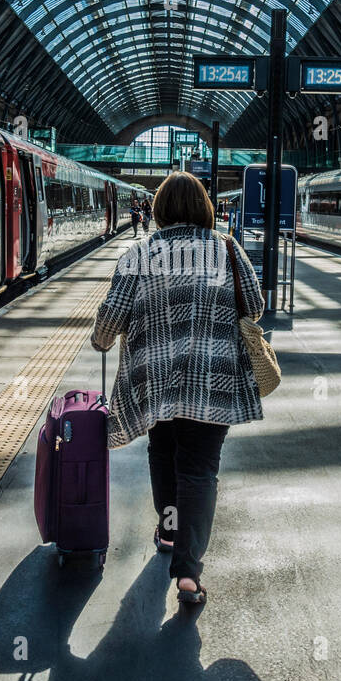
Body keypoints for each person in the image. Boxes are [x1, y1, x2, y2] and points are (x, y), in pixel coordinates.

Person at [91, 172, 264, 605]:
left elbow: (112, 316)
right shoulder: (226, 247)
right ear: (205, 207)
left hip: (156, 380)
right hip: (214, 380)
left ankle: (168, 528)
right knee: (199, 470)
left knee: (162, 452)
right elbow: (256, 305)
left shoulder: (141, 253)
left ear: (160, 209)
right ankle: (188, 573)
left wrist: (101, 340)